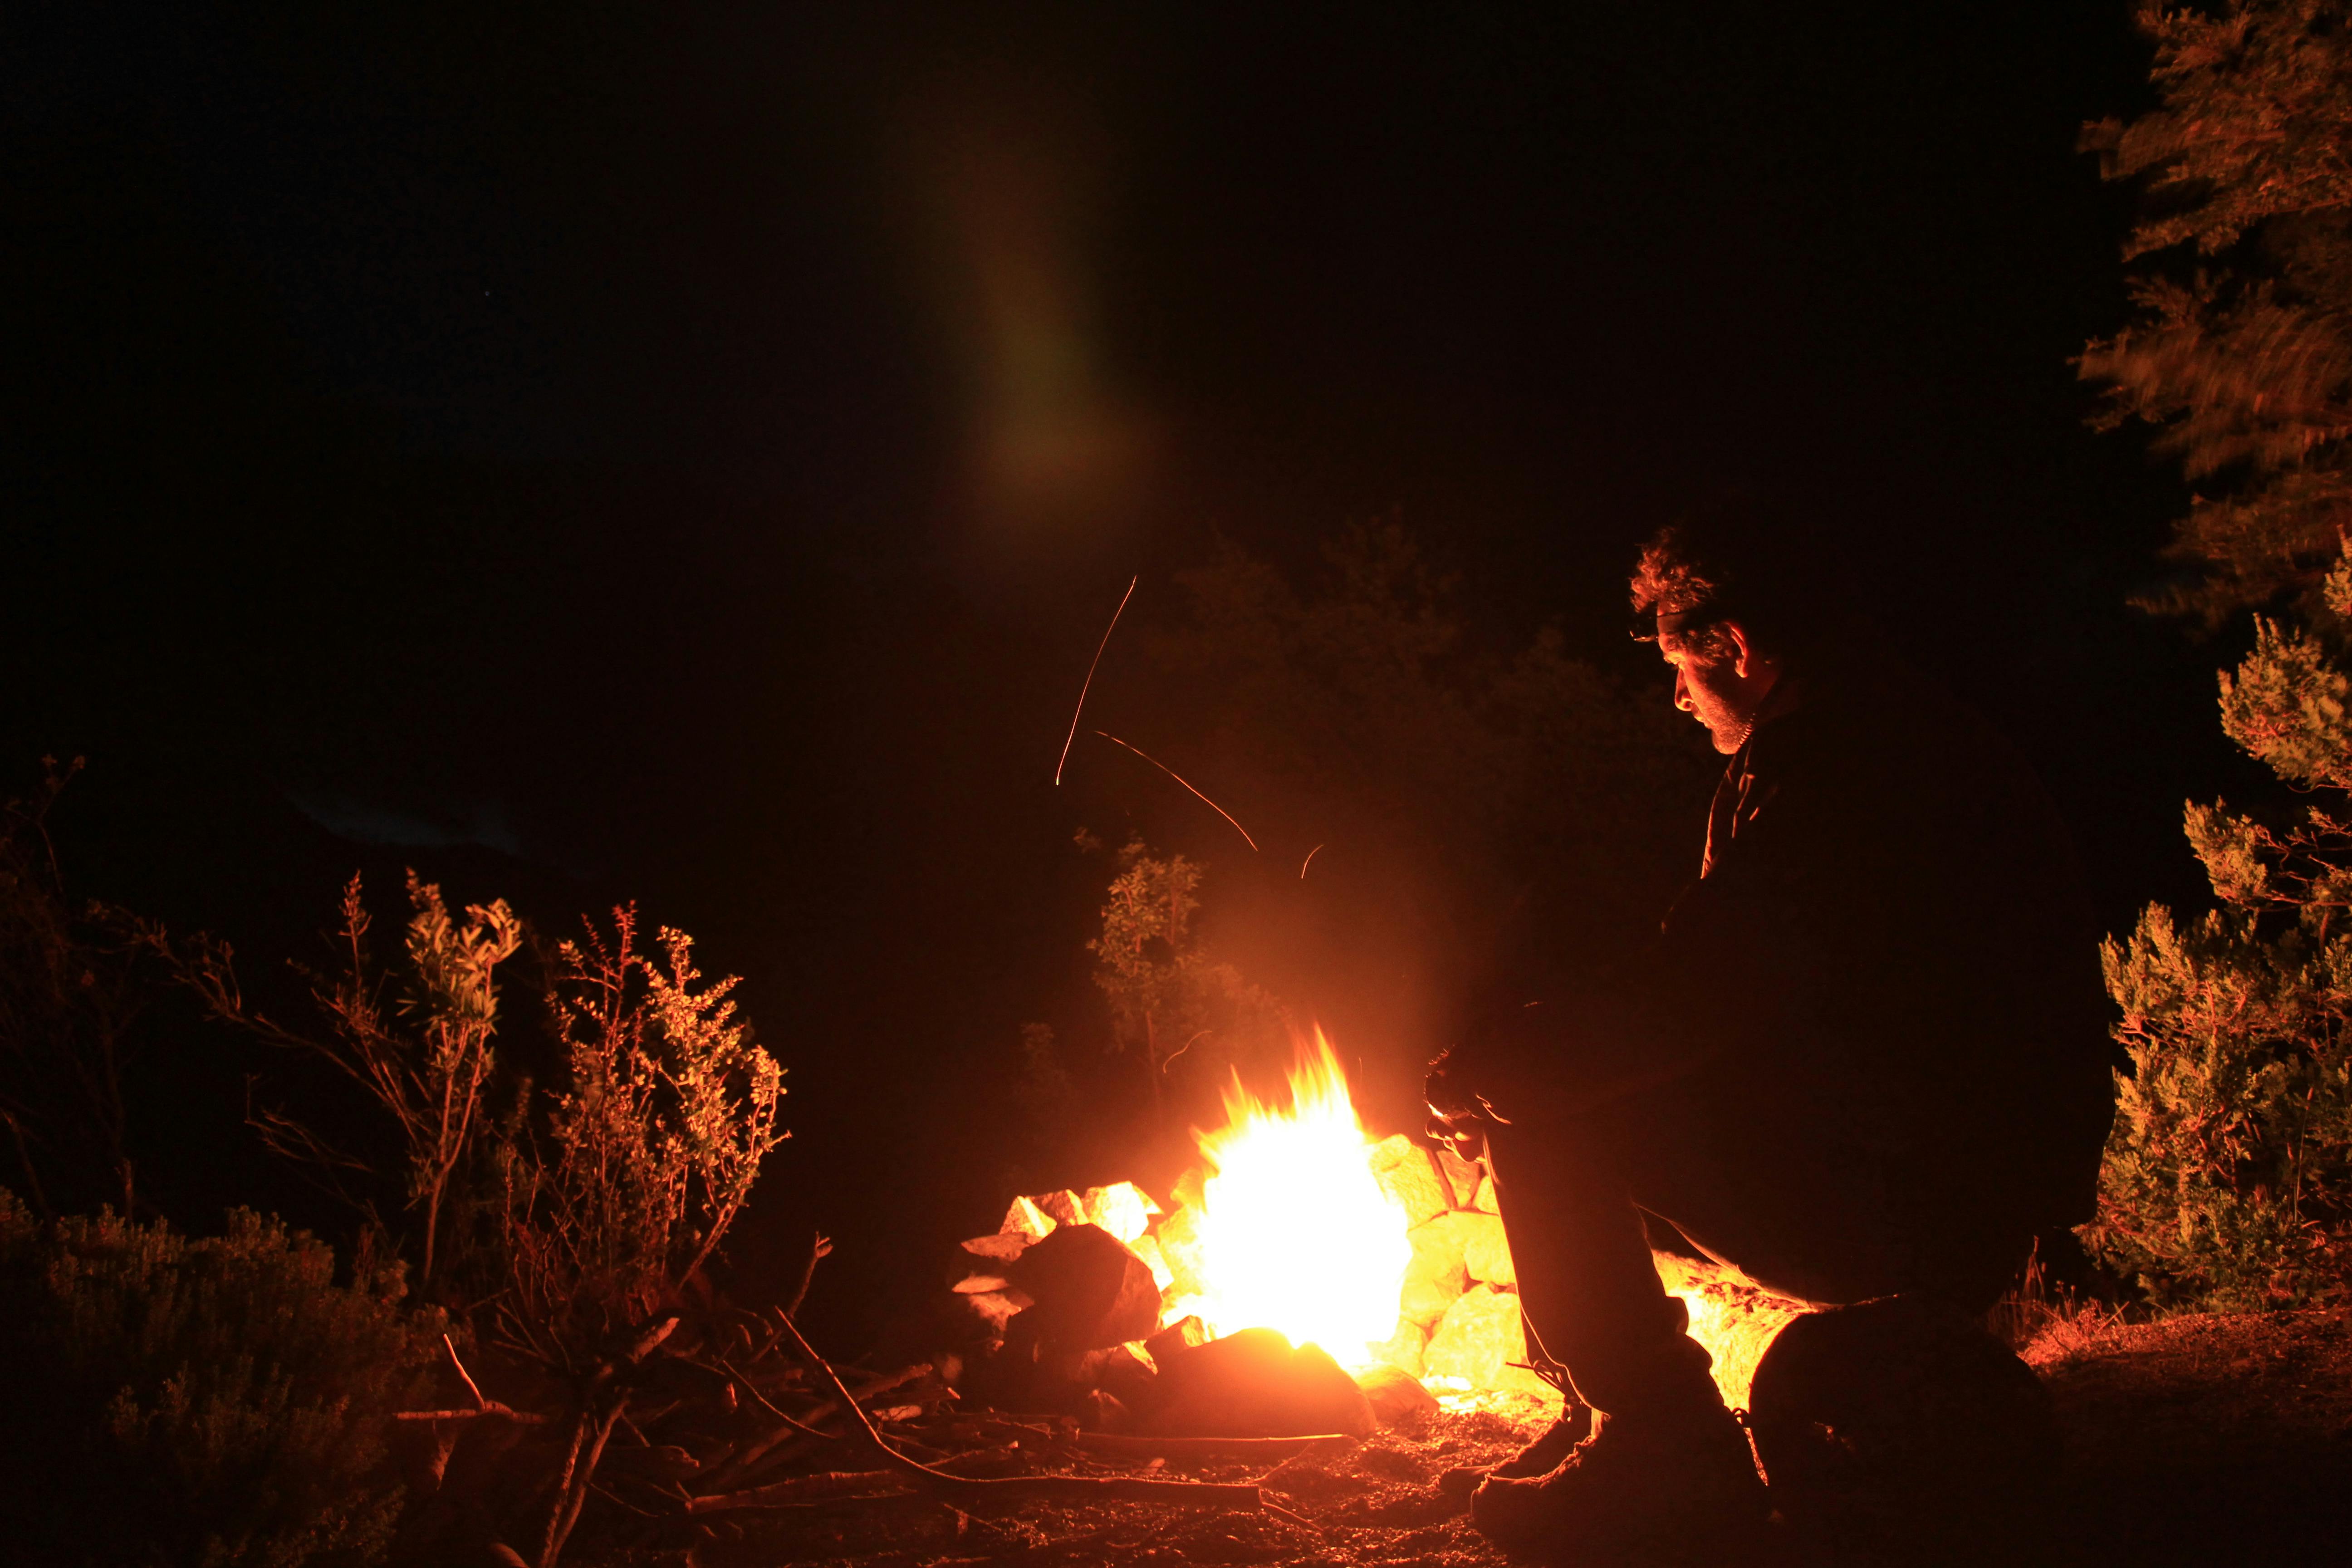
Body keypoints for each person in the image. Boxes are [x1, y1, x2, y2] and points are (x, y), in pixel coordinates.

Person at [1426, 516, 2115, 1557]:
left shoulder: (1842, 772)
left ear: (1737, 646)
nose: (1675, 695)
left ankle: (1662, 1442)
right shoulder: (1877, 737)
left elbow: (1701, 992)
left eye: (1678, 666)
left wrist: (1495, 1066)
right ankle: (1605, 1415)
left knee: (1540, 1090)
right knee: (1551, 1066)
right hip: (1946, 1171)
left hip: (1920, 1195)